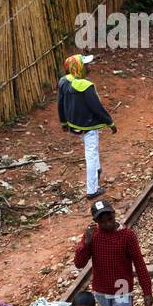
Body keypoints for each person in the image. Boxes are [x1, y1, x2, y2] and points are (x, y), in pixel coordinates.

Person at [58, 54, 115, 199]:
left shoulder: (64, 82)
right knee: (91, 152)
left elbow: (60, 103)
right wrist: (110, 122)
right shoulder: (86, 87)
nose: (89, 67)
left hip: (73, 123)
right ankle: (92, 189)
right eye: (86, 65)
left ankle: (97, 170)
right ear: (78, 68)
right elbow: (97, 107)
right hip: (88, 125)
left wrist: (63, 122)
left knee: (92, 151)